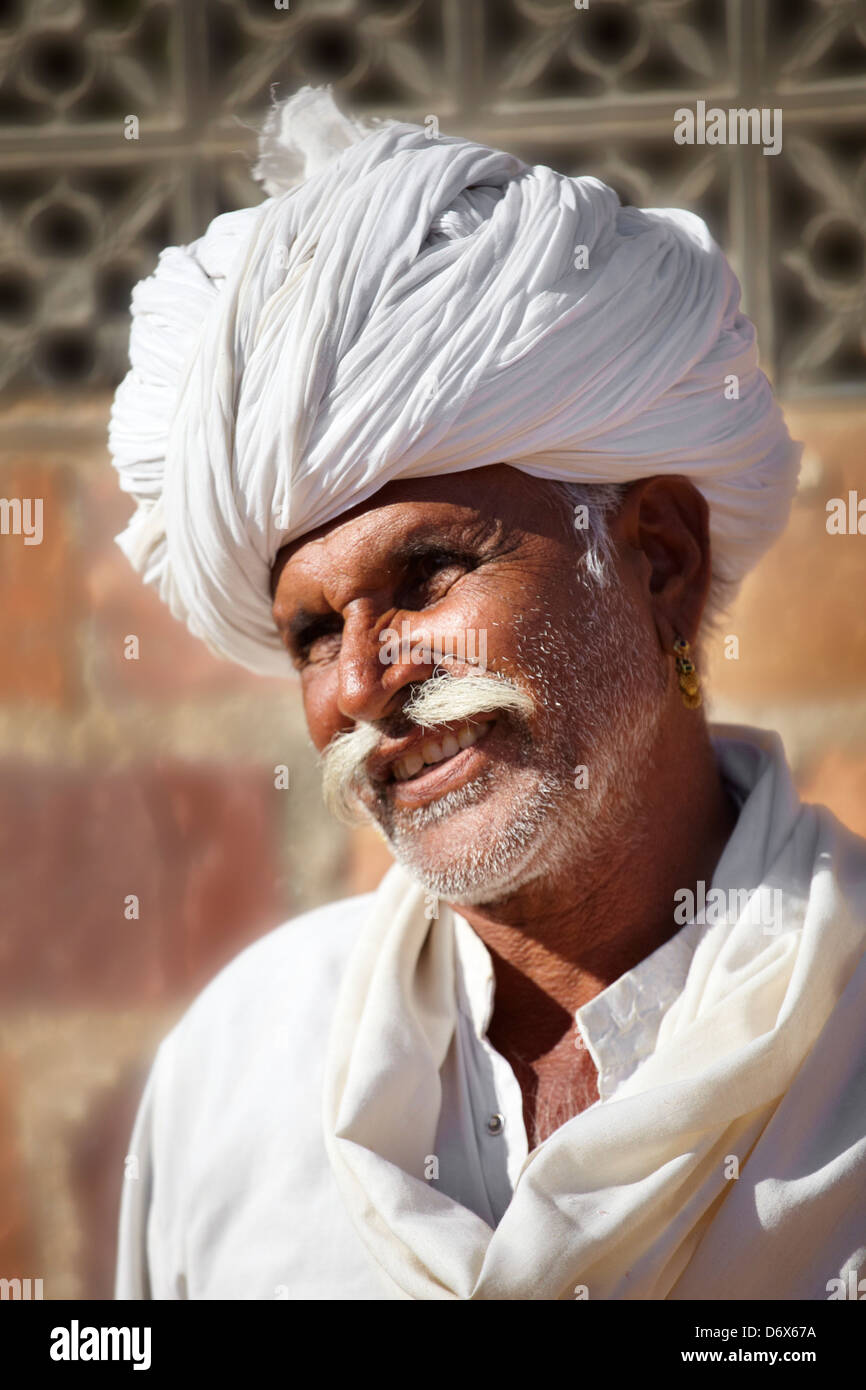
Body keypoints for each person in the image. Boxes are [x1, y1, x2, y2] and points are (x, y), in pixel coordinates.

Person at [108, 86, 866, 1301]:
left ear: (658, 559)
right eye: (311, 632)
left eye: (427, 574)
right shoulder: (239, 1067)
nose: (360, 684)